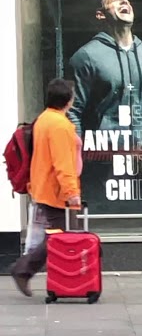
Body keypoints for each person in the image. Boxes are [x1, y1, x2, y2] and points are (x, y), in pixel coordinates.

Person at [67, 0, 142, 144]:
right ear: (101, 15)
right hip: (104, 158)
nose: (125, 3)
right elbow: (72, 110)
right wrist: (75, 157)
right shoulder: (86, 56)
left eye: (126, 1)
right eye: (115, 0)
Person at [11, 80, 81, 297]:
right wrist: (72, 193)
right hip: (55, 192)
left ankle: (67, 280)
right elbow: (63, 163)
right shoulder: (60, 125)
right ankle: (23, 270)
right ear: (68, 100)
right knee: (61, 235)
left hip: (43, 187)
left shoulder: (44, 119)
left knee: (58, 235)